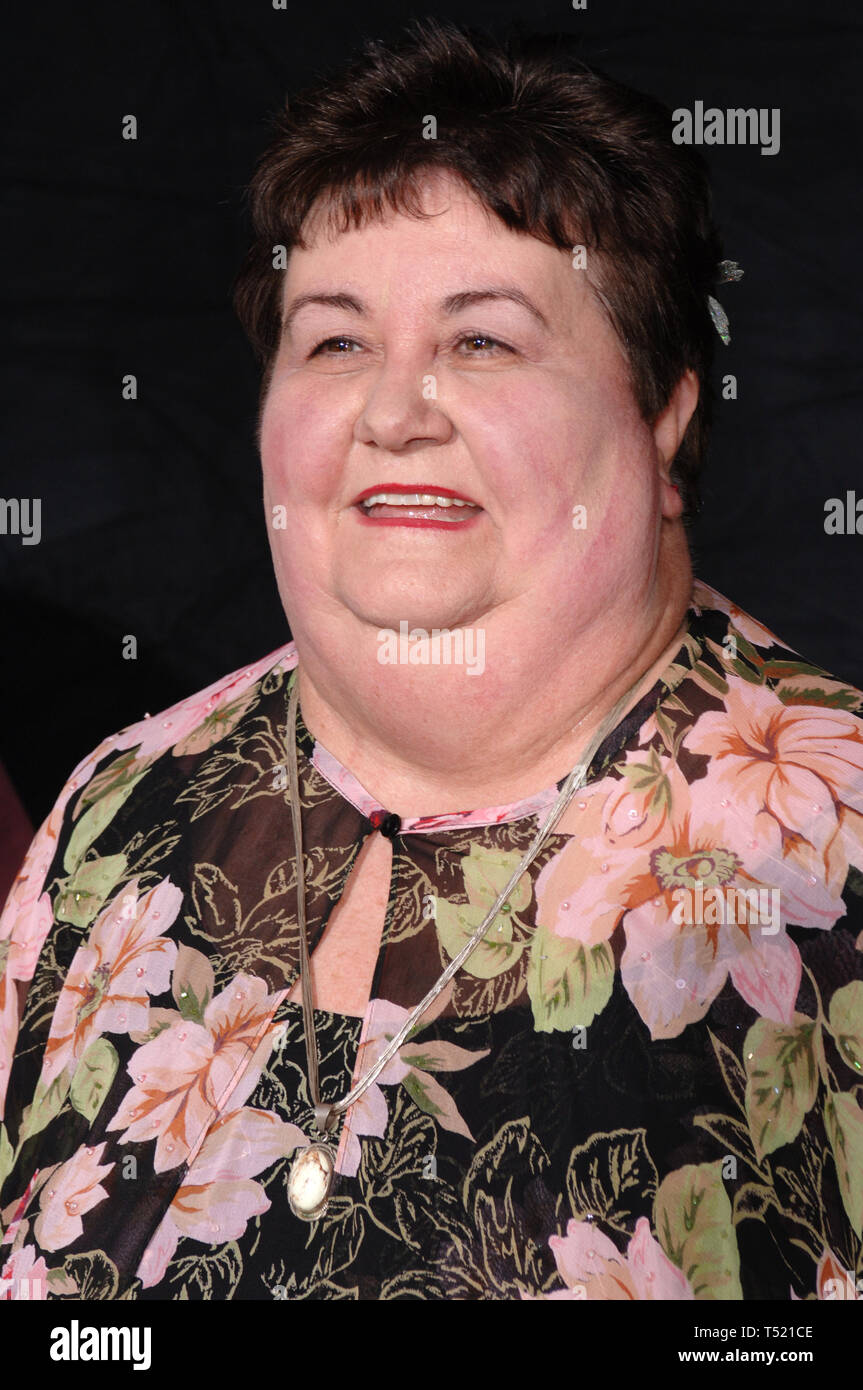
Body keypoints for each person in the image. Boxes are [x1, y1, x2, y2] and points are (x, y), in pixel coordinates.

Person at [1, 18, 861, 1302]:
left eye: (484, 340)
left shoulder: (834, 858)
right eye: (336, 340)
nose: (395, 409)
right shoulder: (110, 811)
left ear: (663, 405)